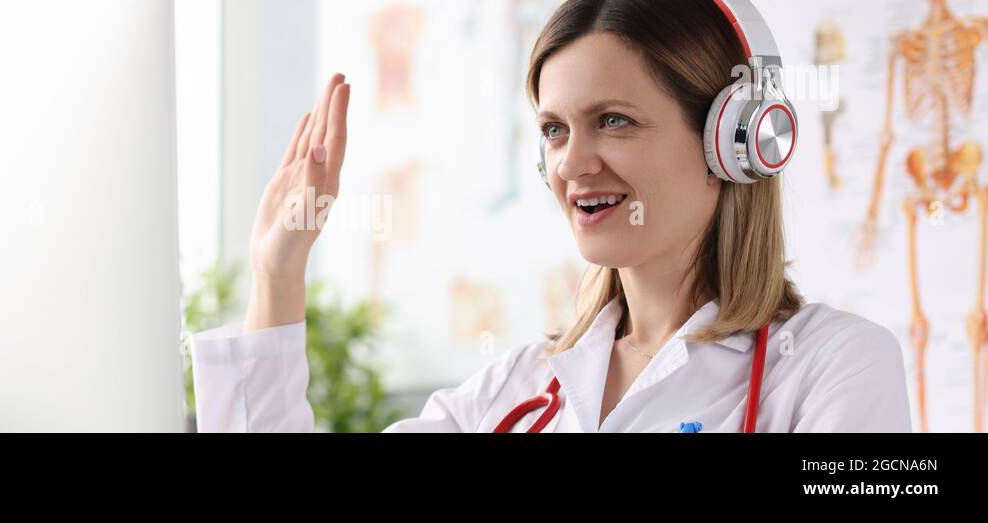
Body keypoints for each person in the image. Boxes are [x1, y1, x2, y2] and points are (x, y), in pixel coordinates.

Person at [189, 0, 912, 433]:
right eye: (555, 129)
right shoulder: (515, 390)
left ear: (737, 140)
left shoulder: (835, 364)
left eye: (615, 121)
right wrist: (275, 272)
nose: (570, 163)